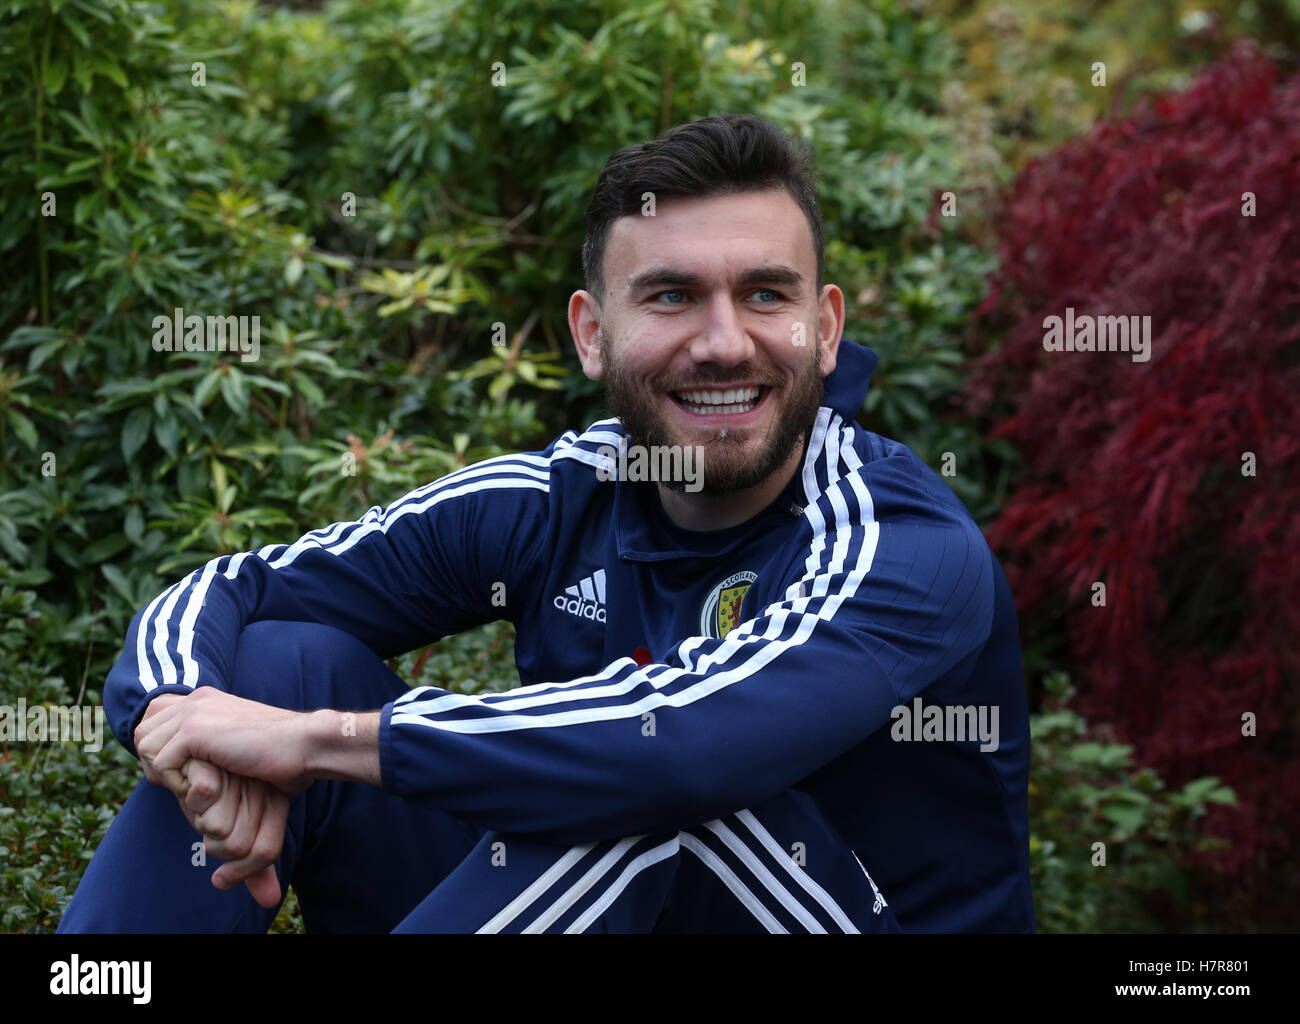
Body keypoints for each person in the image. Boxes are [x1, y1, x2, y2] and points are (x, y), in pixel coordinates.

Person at [59, 113, 1034, 933]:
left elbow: (688, 744)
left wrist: (318, 741)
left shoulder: (896, 536)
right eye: (670, 296)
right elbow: (234, 588)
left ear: (823, 328)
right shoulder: (553, 498)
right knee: (277, 663)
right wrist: (176, 720)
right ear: (590, 333)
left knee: (658, 789)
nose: (723, 340)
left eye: (764, 294)